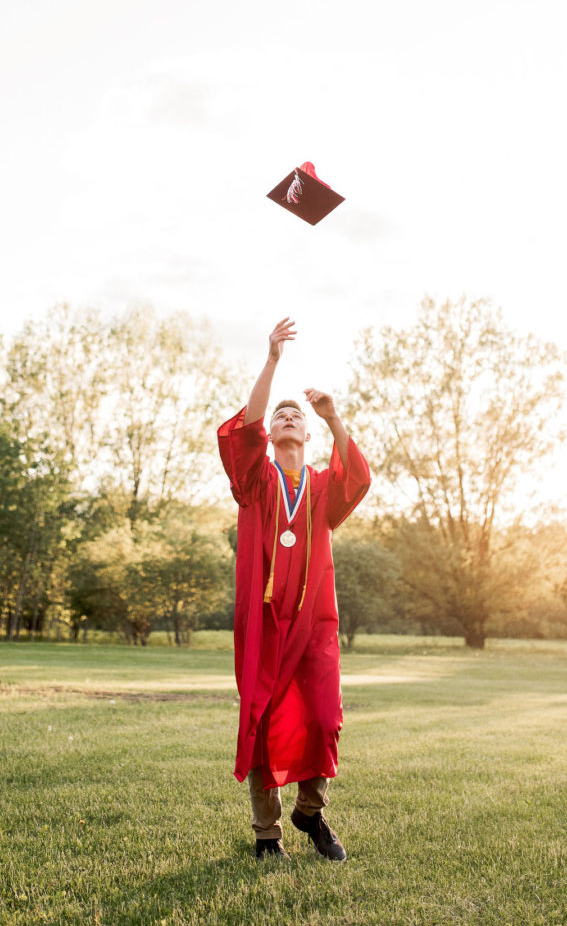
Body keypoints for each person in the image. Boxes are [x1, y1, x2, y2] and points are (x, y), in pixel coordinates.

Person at [218, 317, 370, 861]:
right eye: (281, 414)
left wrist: (333, 417)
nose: (286, 417)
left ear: (305, 435)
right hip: (263, 623)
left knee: (323, 717)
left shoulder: (324, 489)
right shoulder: (256, 482)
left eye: (295, 415)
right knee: (261, 718)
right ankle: (267, 835)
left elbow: (357, 476)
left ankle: (310, 812)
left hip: (314, 625)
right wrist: (273, 361)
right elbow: (244, 430)